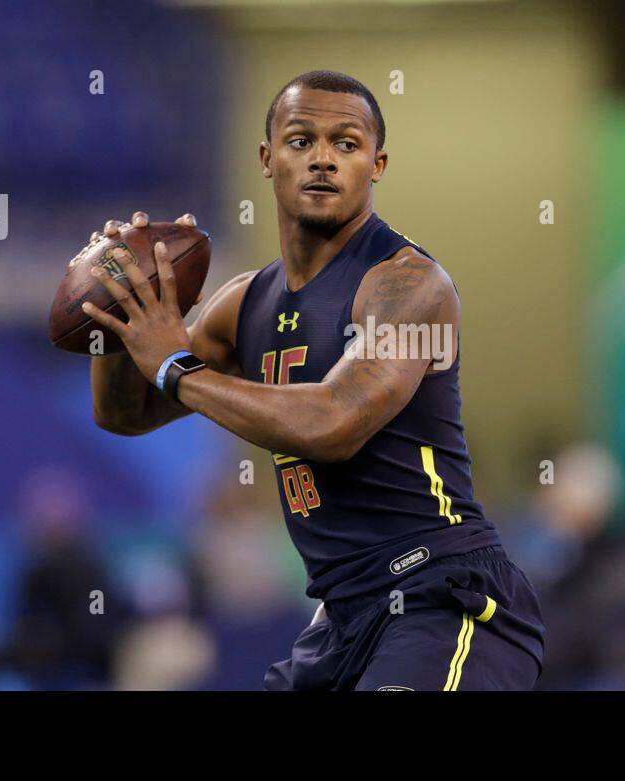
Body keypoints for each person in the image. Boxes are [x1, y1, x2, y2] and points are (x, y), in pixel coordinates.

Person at [78, 71, 544, 690]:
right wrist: (118, 309)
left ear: (377, 165)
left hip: (444, 597)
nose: (323, 158)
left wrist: (176, 367)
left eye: (346, 144)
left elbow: (334, 423)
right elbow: (125, 414)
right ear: (268, 160)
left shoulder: (407, 284)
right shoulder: (245, 303)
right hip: (342, 617)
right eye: (301, 141)